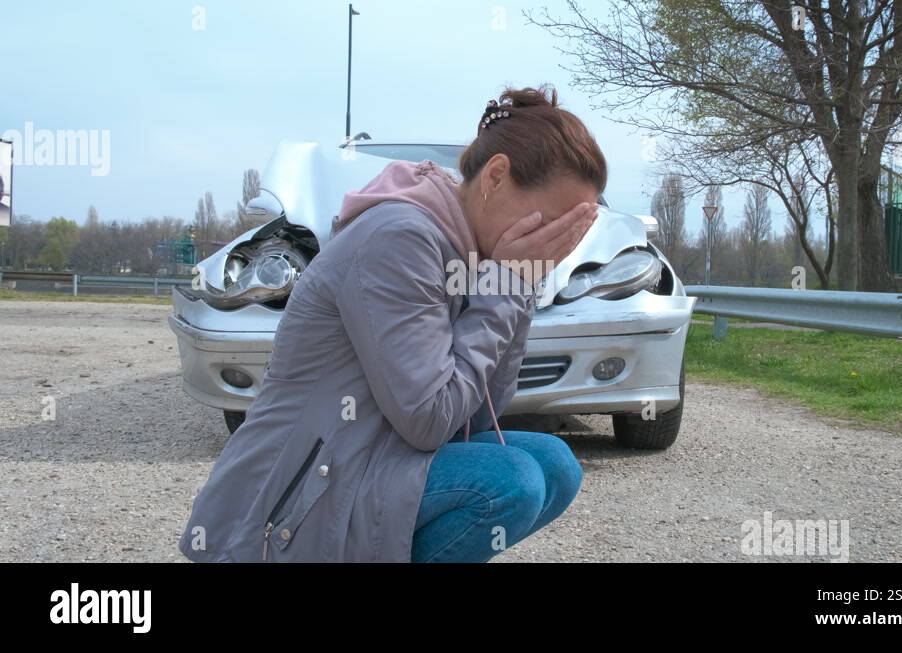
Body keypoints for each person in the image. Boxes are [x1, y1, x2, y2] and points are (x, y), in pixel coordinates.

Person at [177, 83, 608, 562]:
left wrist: (517, 286)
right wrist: (505, 284)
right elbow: (430, 422)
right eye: (550, 220)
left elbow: (477, 418)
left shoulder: (466, 250)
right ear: (497, 176)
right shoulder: (401, 239)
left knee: (555, 465)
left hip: (371, 457)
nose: (551, 240)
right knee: (511, 484)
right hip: (297, 494)